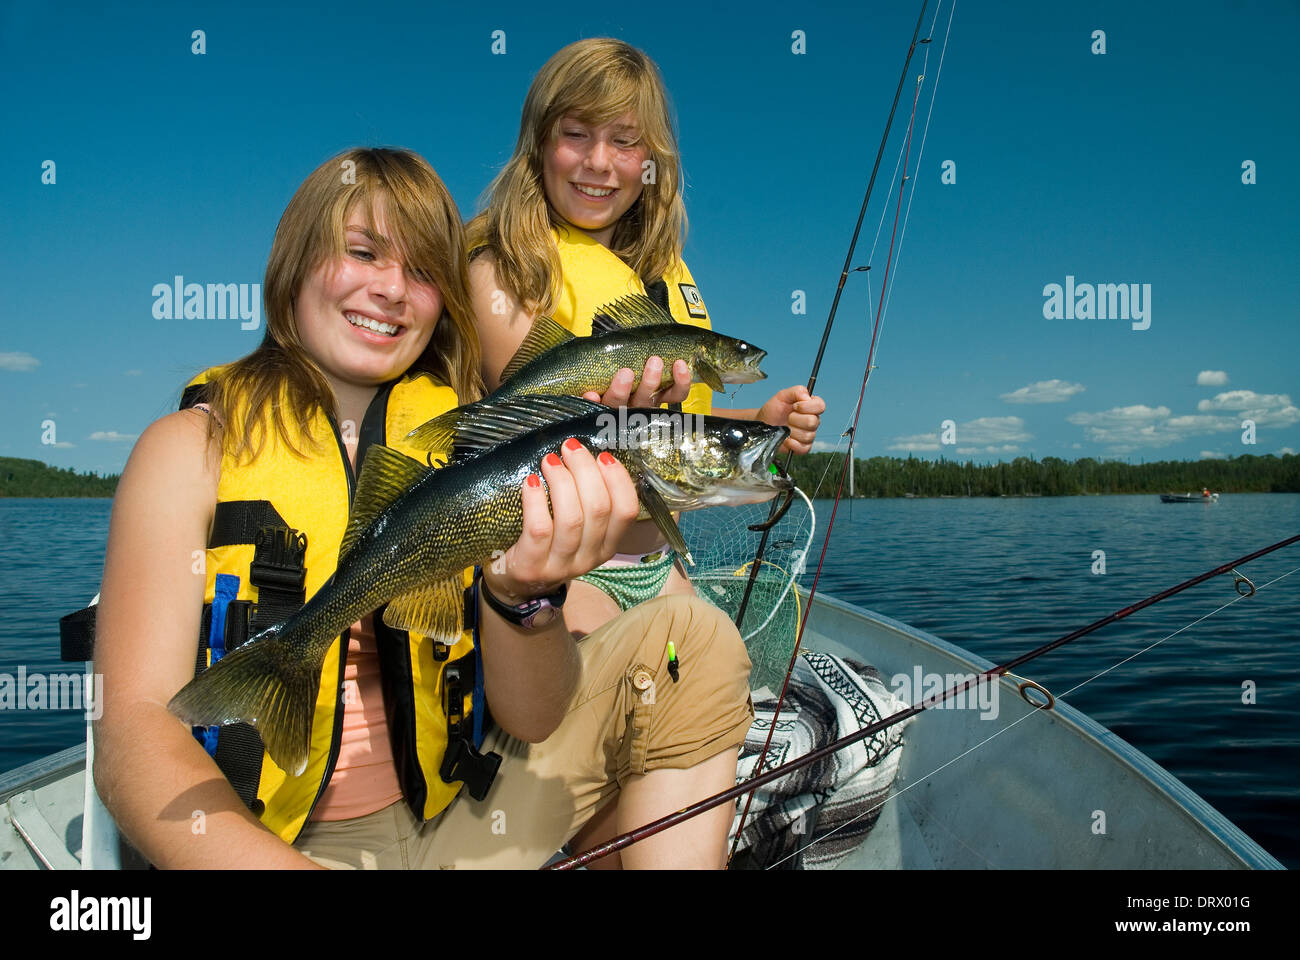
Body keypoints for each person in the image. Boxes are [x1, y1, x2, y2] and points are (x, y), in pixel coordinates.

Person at [91, 147, 753, 869]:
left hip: (463, 811)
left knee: (691, 638)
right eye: (361, 252)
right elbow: (132, 731)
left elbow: (532, 717)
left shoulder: (477, 445)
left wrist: (524, 599)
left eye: (424, 271)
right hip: (283, 848)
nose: (390, 289)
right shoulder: (188, 450)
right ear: (293, 264)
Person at [467, 37, 826, 649]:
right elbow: (528, 410)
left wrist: (754, 420)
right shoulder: (502, 269)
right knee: (593, 704)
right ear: (538, 145)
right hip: (569, 565)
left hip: (661, 561)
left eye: (625, 141)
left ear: (652, 159)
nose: (600, 162)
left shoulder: (658, 281)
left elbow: (667, 427)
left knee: (715, 689)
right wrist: (616, 410)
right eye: (576, 133)